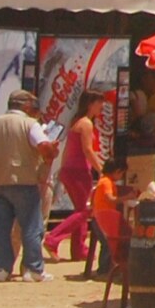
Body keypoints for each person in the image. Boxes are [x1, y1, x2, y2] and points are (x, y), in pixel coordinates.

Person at [0, 88, 54, 282]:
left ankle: (2, 268)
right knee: (31, 227)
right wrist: (50, 152)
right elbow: (43, 145)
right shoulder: (30, 124)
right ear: (26, 106)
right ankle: (33, 269)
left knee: (2, 228)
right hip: (24, 181)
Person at [43, 90, 107, 267]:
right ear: (90, 104)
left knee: (80, 209)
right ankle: (53, 238)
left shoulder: (76, 122)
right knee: (85, 211)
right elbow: (88, 150)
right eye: (99, 103)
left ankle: (79, 249)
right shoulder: (86, 124)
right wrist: (102, 170)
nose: (101, 107)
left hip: (70, 170)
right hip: (79, 171)